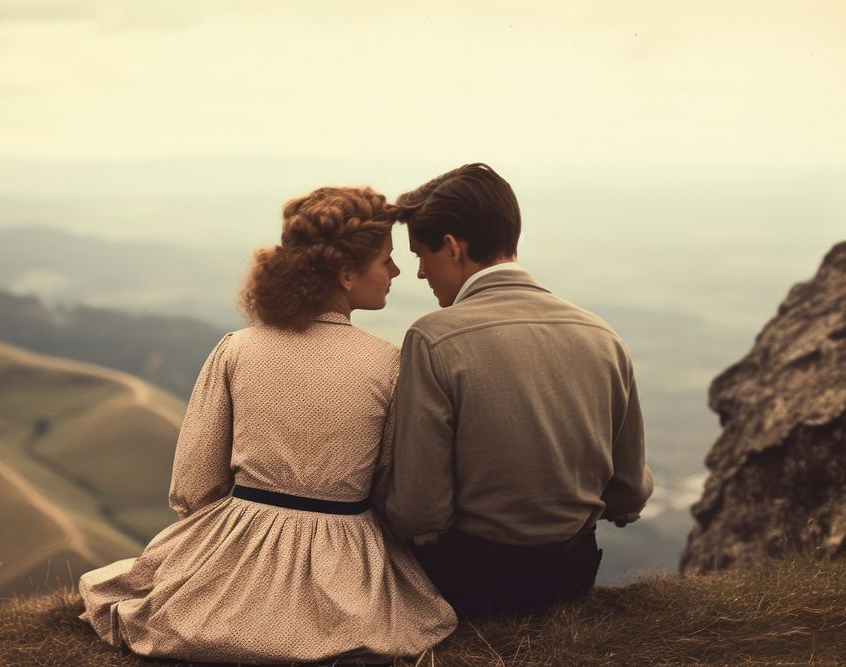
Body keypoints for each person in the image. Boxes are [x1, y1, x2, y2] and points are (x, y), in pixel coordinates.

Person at [78, 186, 457, 664]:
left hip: (236, 537)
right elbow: (387, 487)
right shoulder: (389, 364)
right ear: (345, 275)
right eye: (386, 260)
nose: (396, 272)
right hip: (344, 557)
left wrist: (220, 548)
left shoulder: (237, 348)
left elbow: (195, 485)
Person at [384, 163, 654, 618]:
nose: (420, 275)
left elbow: (418, 512)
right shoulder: (601, 334)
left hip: (468, 580)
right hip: (573, 573)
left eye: (419, 257)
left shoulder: (432, 338)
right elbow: (628, 494)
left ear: (451, 248)